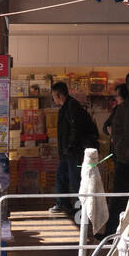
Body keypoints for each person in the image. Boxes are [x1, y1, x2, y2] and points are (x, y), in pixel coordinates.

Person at [51, 81, 99, 219]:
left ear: (58, 94)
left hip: (74, 151)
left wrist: (70, 146)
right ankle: (63, 203)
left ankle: (81, 209)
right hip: (68, 151)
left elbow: (75, 128)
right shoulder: (68, 106)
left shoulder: (71, 106)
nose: (53, 98)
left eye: (54, 95)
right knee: (62, 177)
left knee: (75, 180)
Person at [105, 72, 129, 235]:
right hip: (122, 161)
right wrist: (123, 150)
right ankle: (113, 234)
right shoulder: (121, 108)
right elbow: (116, 133)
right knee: (119, 199)